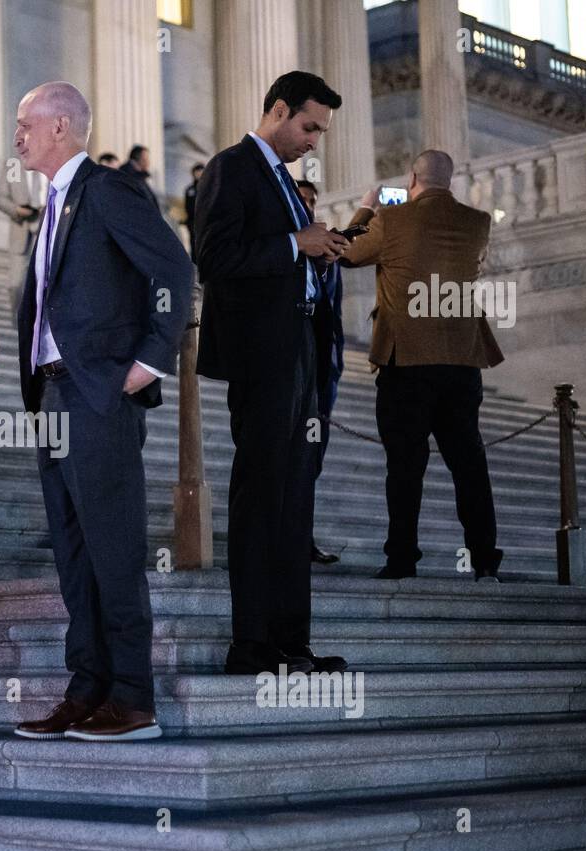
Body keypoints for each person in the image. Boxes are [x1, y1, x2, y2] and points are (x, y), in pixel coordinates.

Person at [11, 81, 192, 741]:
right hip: (54, 398)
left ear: (61, 126)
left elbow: (174, 272)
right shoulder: (51, 206)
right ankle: (85, 689)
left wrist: (149, 361)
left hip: (98, 397)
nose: (18, 134)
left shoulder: (108, 189)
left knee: (113, 552)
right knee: (74, 555)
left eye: (26, 123)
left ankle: (133, 699)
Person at [193, 71, 349, 677]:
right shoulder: (231, 167)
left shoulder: (283, 179)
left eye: (321, 131)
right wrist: (296, 244)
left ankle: (292, 642)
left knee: (295, 501)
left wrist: (318, 248)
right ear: (278, 110)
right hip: (261, 355)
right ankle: (251, 645)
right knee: (261, 498)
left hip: (300, 346)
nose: (314, 140)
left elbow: (291, 245)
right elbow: (214, 257)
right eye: (309, 126)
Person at [339, 149, 505, 582]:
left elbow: (346, 252)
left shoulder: (392, 221)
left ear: (412, 177)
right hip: (461, 361)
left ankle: (401, 560)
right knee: (469, 463)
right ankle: (484, 559)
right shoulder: (477, 222)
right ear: (448, 181)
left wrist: (367, 207)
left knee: (405, 467)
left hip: (407, 361)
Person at [295, 178, 343, 565]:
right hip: (293, 364)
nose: (309, 206)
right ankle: (287, 538)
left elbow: (334, 308)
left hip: (324, 369)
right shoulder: (288, 246)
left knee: (315, 457)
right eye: (302, 199)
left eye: (312, 200)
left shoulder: (323, 247)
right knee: (291, 456)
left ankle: (303, 537)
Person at [0, 158, 43, 313]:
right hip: (21, 229)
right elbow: (1, 199)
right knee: (16, 284)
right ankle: (18, 321)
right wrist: (16, 209)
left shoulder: (55, 162)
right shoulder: (13, 165)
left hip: (47, 229)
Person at [121, 144, 161, 209]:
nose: (148, 162)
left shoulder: (139, 176)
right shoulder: (128, 177)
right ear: (137, 159)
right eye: (146, 158)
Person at [183, 162, 205, 250]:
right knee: (194, 244)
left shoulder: (210, 188)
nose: (199, 174)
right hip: (193, 222)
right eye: (197, 172)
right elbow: (188, 206)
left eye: (201, 172)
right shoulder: (190, 190)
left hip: (206, 221)